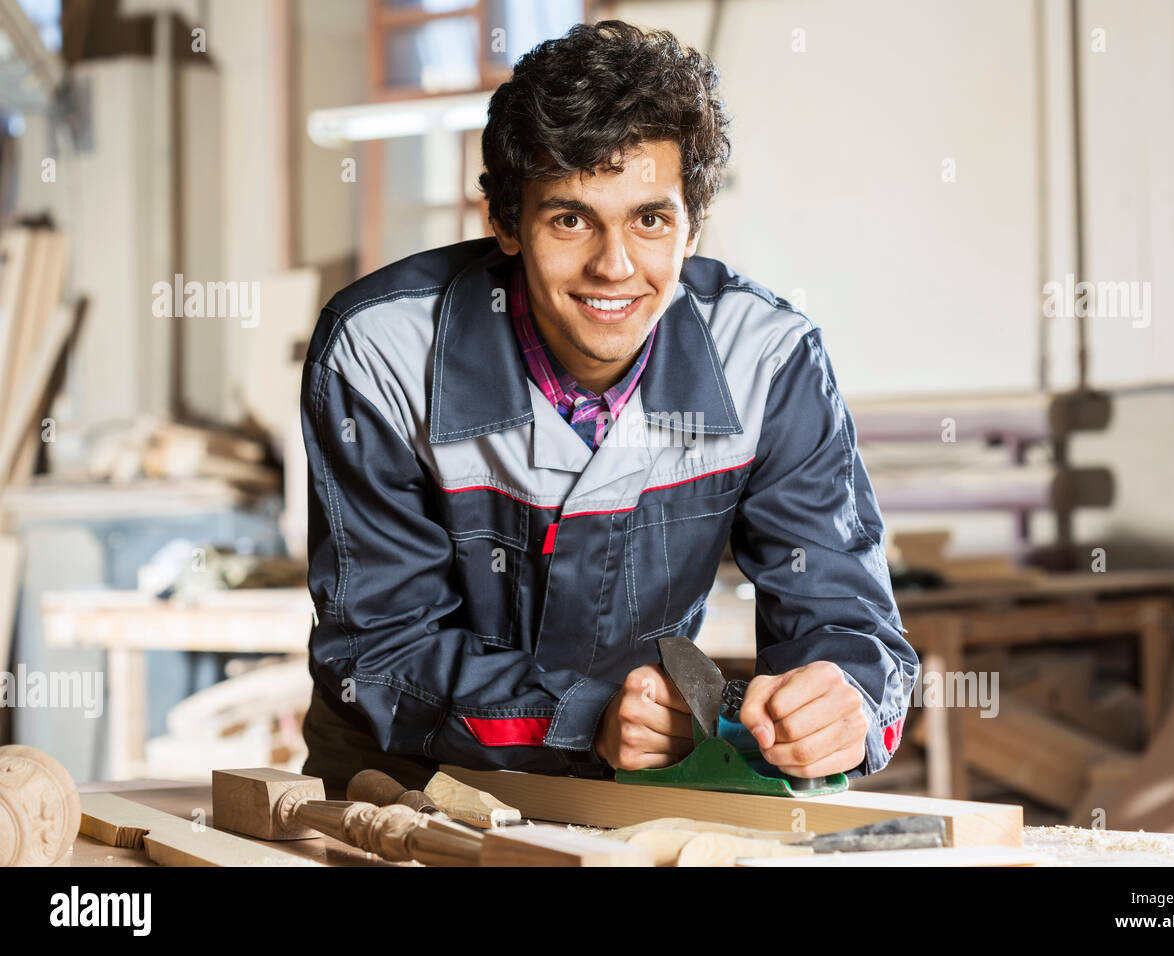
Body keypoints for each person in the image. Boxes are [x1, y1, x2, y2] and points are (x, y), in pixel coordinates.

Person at [299, 19, 918, 795]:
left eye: (650, 219)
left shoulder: (769, 359)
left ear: (692, 225)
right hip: (399, 784)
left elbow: (848, 618)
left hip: (635, 784)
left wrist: (844, 701)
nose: (614, 266)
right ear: (504, 223)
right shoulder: (380, 350)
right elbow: (380, 652)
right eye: (570, 218)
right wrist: (580, 716)